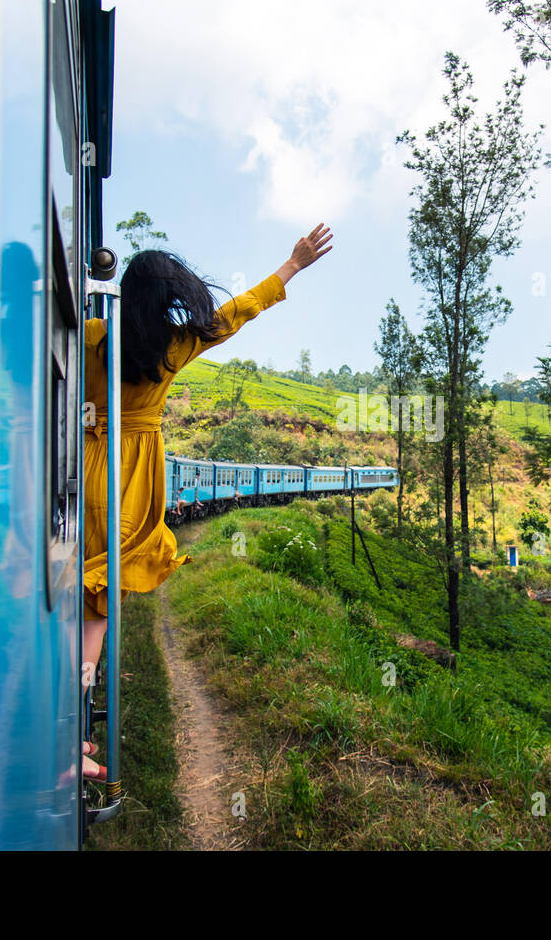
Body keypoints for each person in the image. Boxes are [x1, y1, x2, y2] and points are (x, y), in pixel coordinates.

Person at [80, 224, 333, 779]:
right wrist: (291, 265)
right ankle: (73, 729)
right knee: (97, 602)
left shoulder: (94, 334)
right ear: (167, 297)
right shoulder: (175, 346)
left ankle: (64, 722)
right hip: (133, 474)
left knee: (74, 589)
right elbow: (238, 312)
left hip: (85, 463)